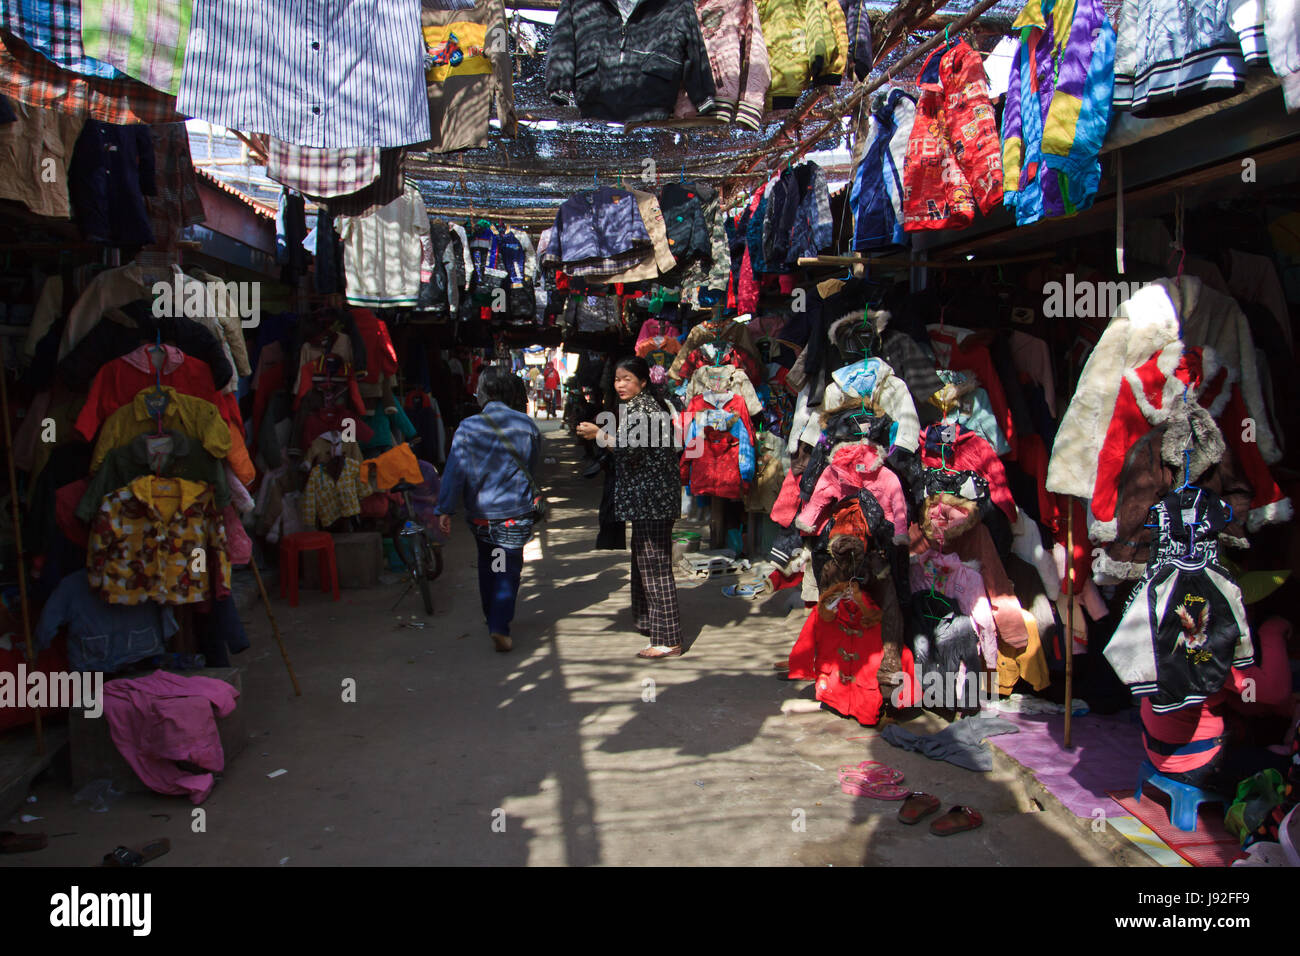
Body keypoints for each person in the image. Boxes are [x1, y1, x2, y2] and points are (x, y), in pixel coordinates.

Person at [576, 356, 684, 659]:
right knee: (644, 560)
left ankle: (668, 638)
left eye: (626, 379)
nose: (620, 385)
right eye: (617, 379)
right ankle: (649, 621)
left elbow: (628, 447)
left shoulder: (643, 409)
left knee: (654, 566)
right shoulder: (643, 406)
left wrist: (597, 435)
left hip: (652, 499)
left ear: (643, 382)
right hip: (649, 498)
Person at [435, 366, 541, 653]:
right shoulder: (526, 425)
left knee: (489, 562)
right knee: (508, 566)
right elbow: (531, 469)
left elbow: (454, 472)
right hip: (515, 512)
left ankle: (491, 614)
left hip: (481, 513)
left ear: (482, 393)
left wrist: (444, 509)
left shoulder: (468, 426)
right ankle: (499, 623)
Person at [1139, 616, 1294, 791]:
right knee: (1290, 767)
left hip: (1159, 751)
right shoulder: (1211, 655)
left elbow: (1245, 702)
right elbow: (1277, 692)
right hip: (1196, 766)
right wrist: (1272, 630)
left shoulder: (1167, 634)